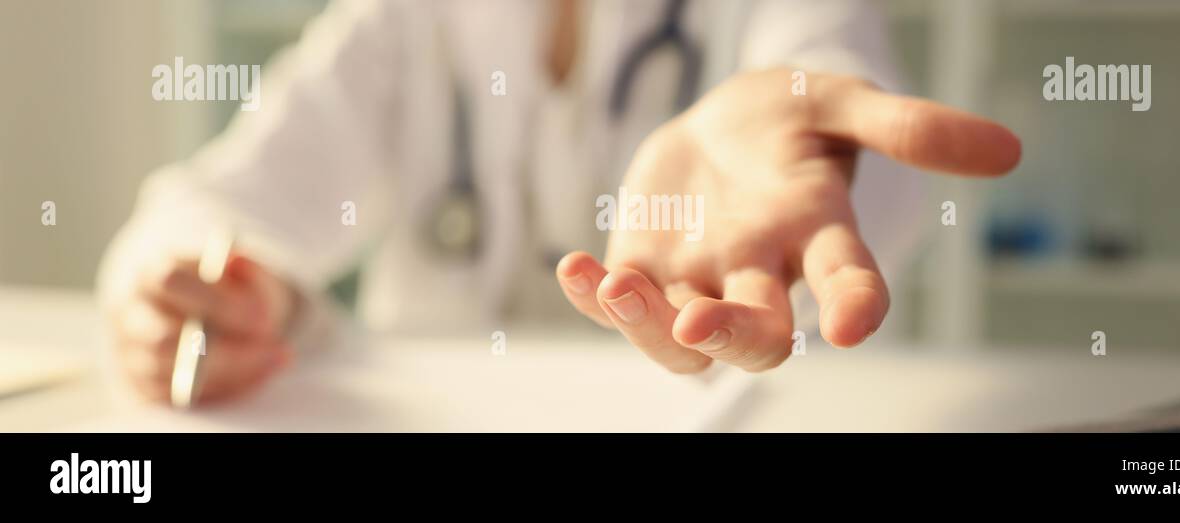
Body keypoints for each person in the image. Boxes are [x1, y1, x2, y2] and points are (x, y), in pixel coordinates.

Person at [98, 0, 1020, 403]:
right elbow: (214, 202)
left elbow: (838, 100)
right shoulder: (400, 16)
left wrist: (821, 165)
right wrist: (201, 289)